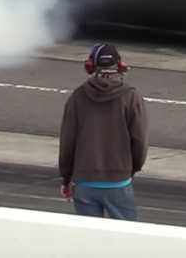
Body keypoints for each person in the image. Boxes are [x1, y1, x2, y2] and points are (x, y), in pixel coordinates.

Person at [58, 43, 148, 221]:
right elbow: (139, 141)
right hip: (119, 181)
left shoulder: (77, 96)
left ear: (90, 66)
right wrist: (131, 168)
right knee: (126, 237)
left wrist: (66, 178)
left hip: (84, 181)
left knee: (90, 240)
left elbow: (67, 143)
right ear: (120, 65)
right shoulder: (131, 96)